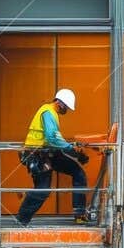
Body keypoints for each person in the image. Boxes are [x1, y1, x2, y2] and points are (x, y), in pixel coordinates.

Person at [16, 89, 90, 226]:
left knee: (78, 173)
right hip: (37, 155)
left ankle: (79, 213)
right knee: (43, 189)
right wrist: (70, 149)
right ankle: (22, 219)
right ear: (60, 103)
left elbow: (55, 140)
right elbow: (52, 138)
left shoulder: (52, 113)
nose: (66, 110)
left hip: (48, 153)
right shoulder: (48, 112)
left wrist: (75, 153)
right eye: (66, 107)